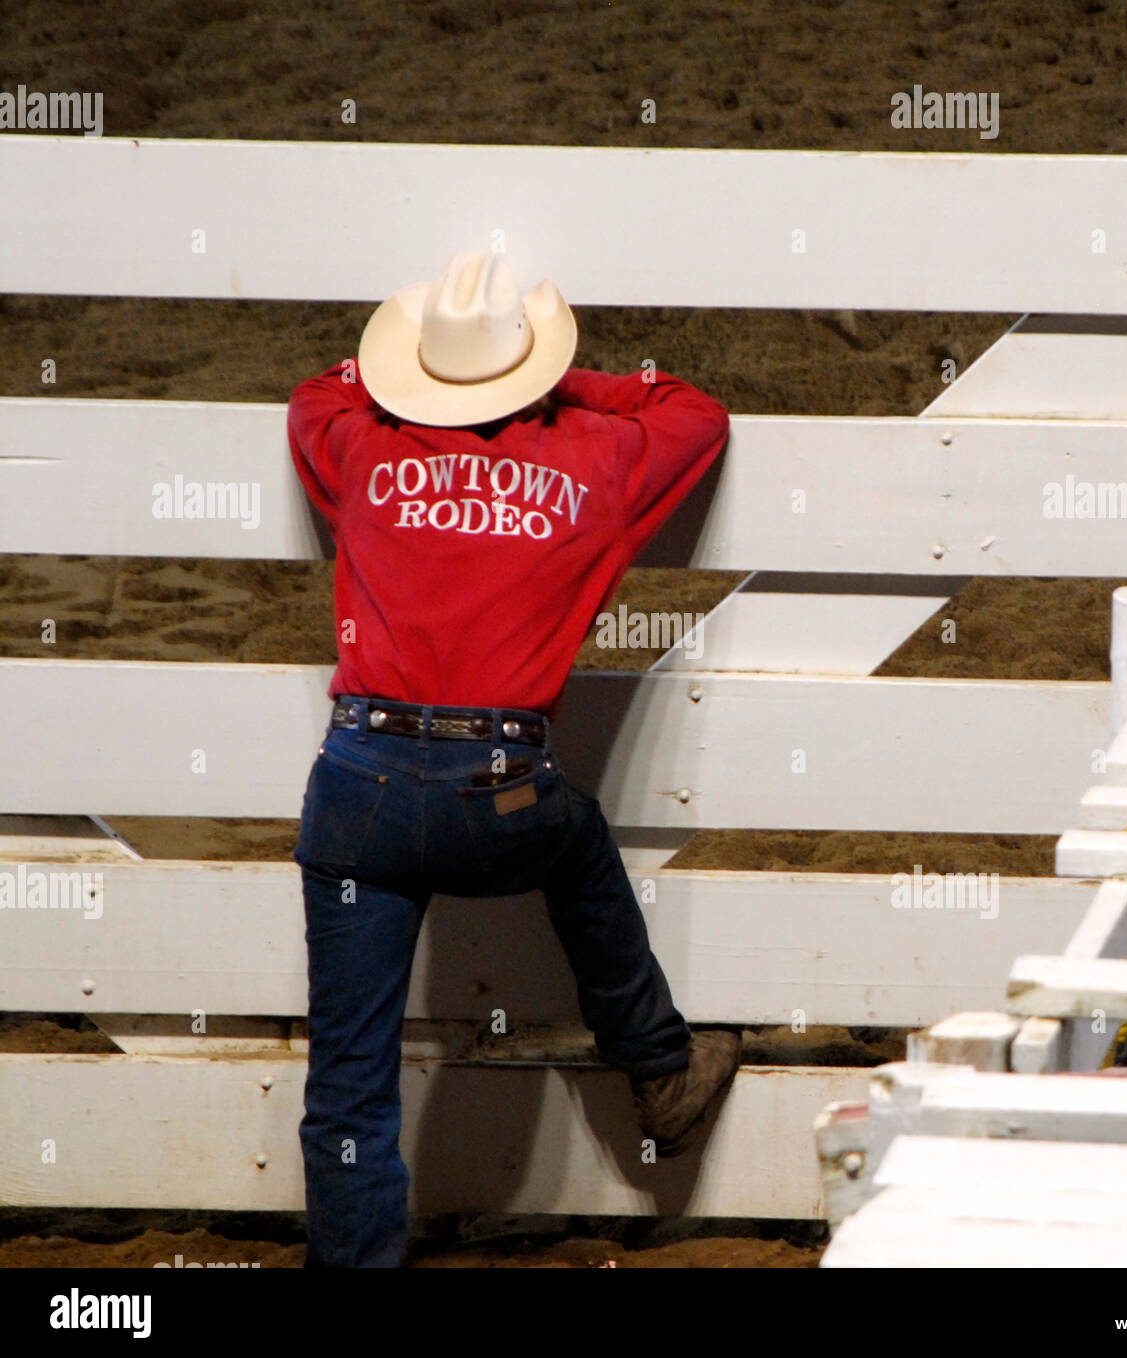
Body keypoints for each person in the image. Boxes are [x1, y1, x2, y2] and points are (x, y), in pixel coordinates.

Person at [287, 250, 738, 1268]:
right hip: (499, 793)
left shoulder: (361, 448)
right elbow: (692, 411)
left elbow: (318, 388)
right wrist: (560, 381)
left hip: (359, 783)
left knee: (347, 1079)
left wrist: (417, 380)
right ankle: (658, 1063)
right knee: (574, 834)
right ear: (529, 368)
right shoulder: (591, 460)